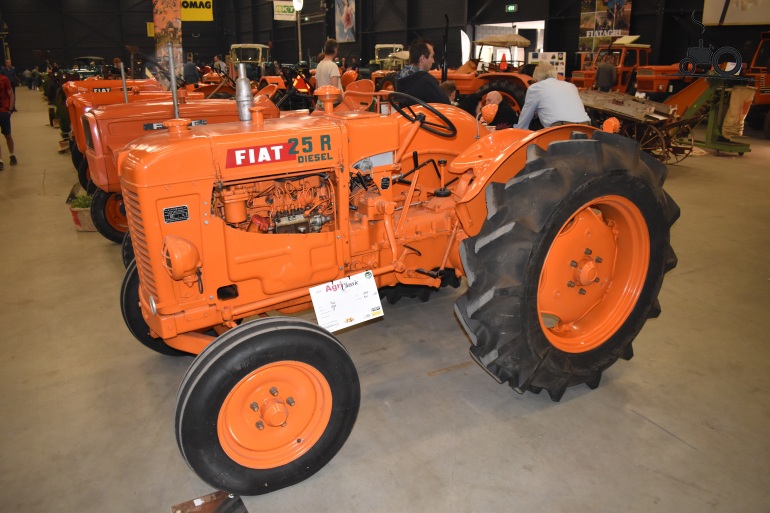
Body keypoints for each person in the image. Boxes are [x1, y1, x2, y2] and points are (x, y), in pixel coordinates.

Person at [514, 61, 590, 130]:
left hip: (560, 129)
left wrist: (518, 131)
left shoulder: (535, 88)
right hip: (586, 127)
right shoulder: (571, 86)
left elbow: (524, 120)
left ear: (536, 78)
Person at [395, 39, 450, 105]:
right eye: (432, 57)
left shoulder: (399, 77)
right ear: (423, 58)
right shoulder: (426, 80)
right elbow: (445, 104)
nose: (433, 61)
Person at [0, 72, 17, 170]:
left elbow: (11, 94)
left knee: (8, 135)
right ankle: (0, 161)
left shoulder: (4, 79)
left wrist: (10, 109)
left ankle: (12, 155)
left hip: (4, 112)